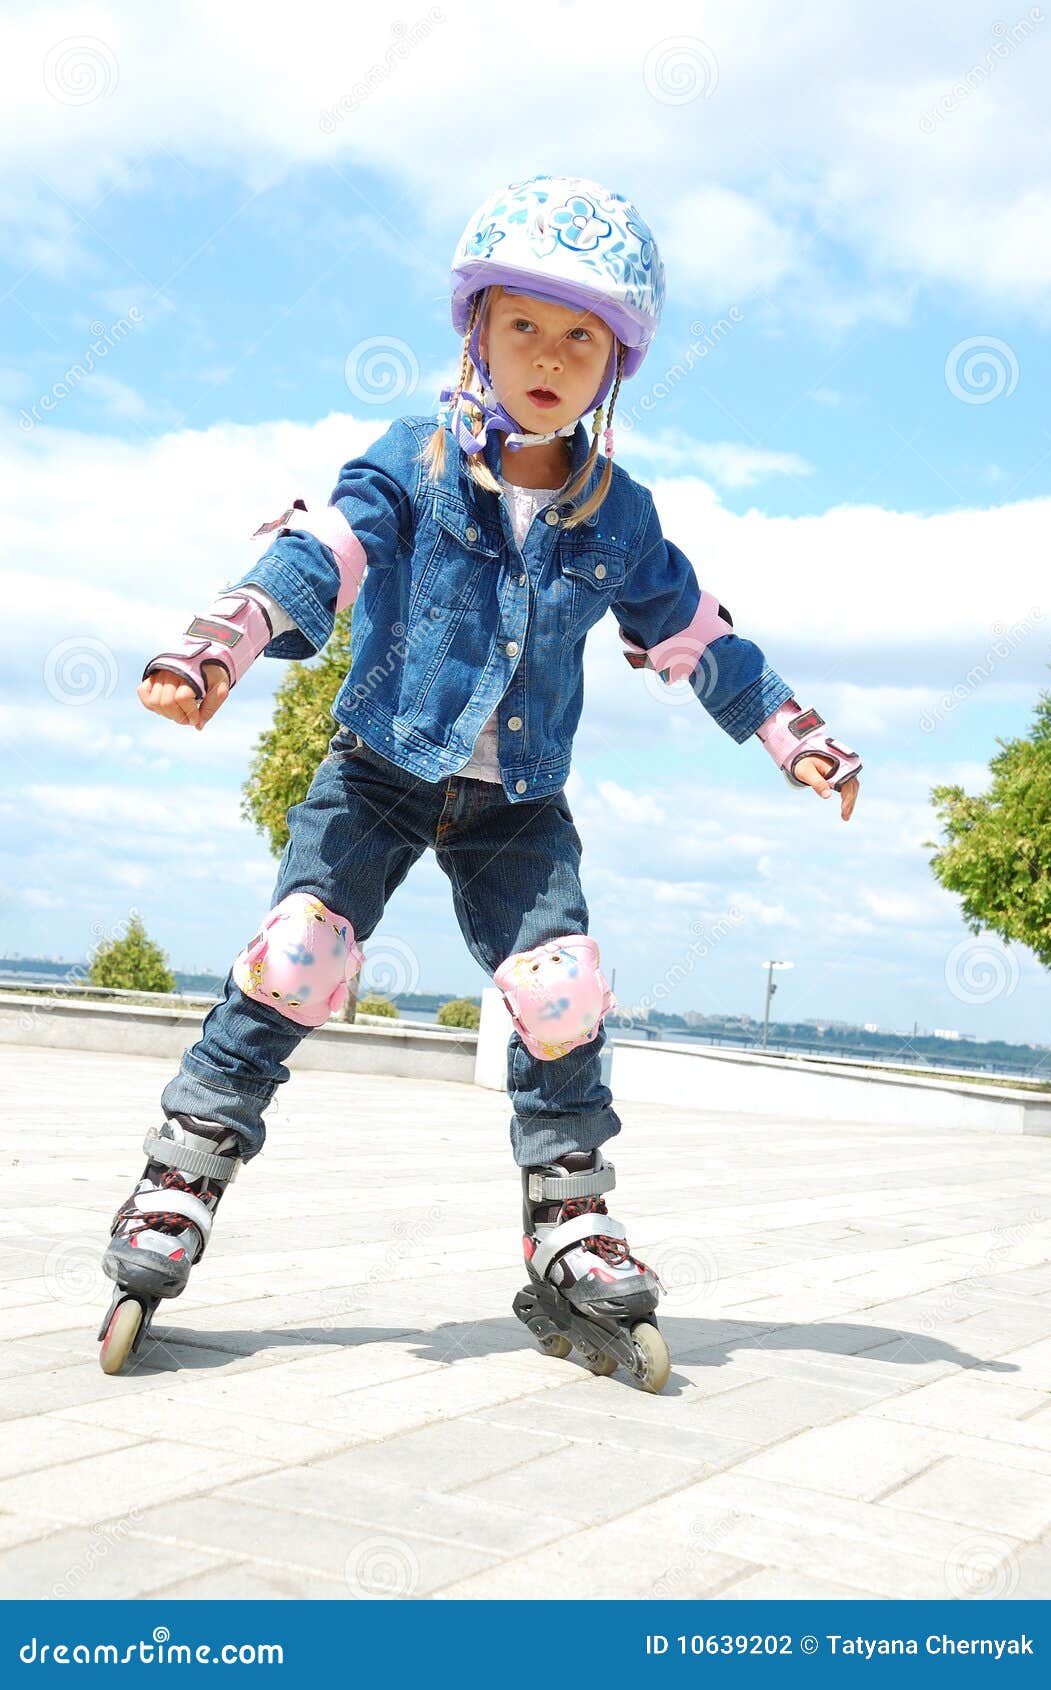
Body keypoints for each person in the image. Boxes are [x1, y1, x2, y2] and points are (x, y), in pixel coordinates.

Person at [98, 174, 861, 1384]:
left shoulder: (621, 513)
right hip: (379, 770)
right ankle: (180, 1172)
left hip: (519, 803)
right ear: (477, 333)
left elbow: (698, 635)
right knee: (297, 958)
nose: (548, 355)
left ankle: (567, 1211)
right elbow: (325, 550)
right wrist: (225, 641)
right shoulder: (410, 461)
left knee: (560, 991)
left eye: (579, 338)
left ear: (611, 365)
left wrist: (789, 734)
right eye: (524, 327)